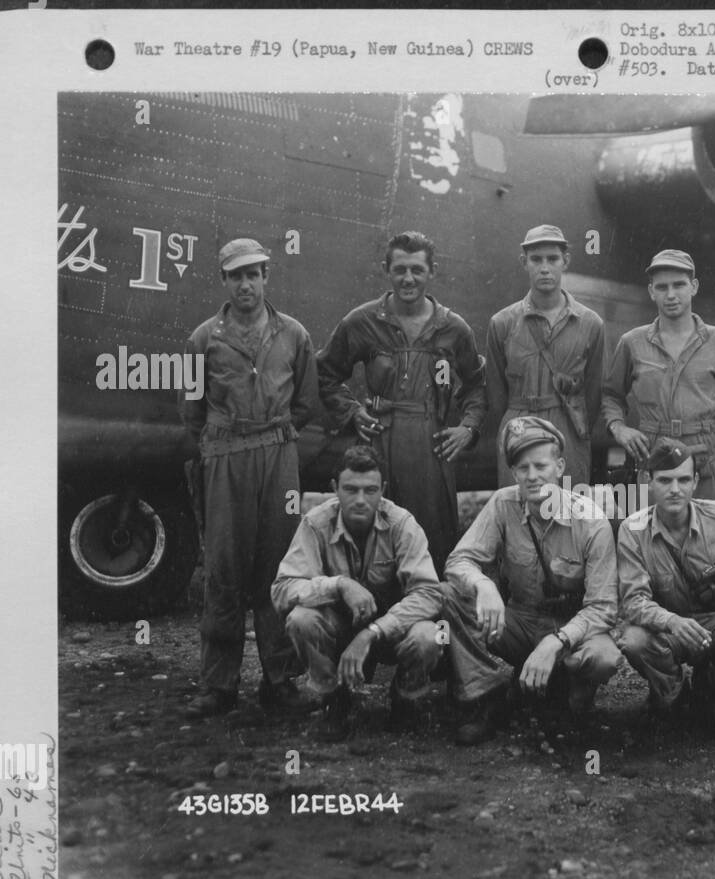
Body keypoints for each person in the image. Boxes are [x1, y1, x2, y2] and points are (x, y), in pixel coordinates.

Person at [180, 237, 318, 719]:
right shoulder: (202, 339)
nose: (245, 284)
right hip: (225, 458)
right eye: (236, 275)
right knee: (223, 570)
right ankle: (219, 685)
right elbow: (192, 411)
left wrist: (275, 437)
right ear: (224, 281)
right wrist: (224, 445)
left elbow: (305, 402)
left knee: (279, 567)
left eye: (253, 274)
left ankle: (279, 680)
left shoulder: (294, 334)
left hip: (278, 458)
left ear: (266, 277)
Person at [439, 416, 620, 745]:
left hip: (572, 629)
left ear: (560, 466)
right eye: (523, 468)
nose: (533, 476)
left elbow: (604, 607)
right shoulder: (503, 504)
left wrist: (557, 642)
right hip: (520, 622)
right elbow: (458, 561)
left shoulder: (591, 521)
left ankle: (564, 689)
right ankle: (487, 695)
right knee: (449, 596)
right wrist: (484, 586)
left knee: (604, 658)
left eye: (541, 465)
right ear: (514, 473)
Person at [315, 230, 486, 571]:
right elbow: (325, 374)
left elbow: (477, 384)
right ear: (386, 270)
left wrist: (467, 428)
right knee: (377, 533)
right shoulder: (362, 321)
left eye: (417, 270)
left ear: (431, 272)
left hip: (431, 448)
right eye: (400, 269)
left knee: (432, 539)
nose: (408, 278)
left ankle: (429, 612)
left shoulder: (453, 328)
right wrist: (352, 411)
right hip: (379, 442)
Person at [270, 445, 443, 742]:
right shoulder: (315, 523)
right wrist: (338, 584)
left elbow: (428, 593)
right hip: (339, 630)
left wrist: (373, 631)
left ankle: (406, 696)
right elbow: (283, 588)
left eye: (370, 490)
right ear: (334, 488)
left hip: (390, 631)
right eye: (351, 489)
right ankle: (333, 699)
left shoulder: (402, 524)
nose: (361, 500)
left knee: (433, 634)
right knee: (301, 620)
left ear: (383, 489)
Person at [615, 438, 715, 727]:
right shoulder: (632, 530)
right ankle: (671, 692)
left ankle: (714, 687)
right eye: (664, 480)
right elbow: (633, 601)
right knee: (634, 640)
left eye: (683, 480)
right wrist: (672, 622)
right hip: (666, 632)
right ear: (648, 482)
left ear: (695, 481)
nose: (675, 490)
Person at [602, 249, 715, 506]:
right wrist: (619, 428)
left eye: (679, 285)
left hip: (704, 462)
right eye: (662, 287)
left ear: (694, 287)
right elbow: (610, 395)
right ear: (651, 291)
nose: (670, 295)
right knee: (650, 539)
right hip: (652, 460)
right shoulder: (632, 343)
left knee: (706, 540)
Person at [486, 224, 606, 490]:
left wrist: (574, 424)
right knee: (518, 510)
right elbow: (496, 395)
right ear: (524, 262)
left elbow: (594, 392)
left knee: (568, 510)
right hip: (518, 424)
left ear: (565, 261)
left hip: (569, 425)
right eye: (535, 259)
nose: (544, 267)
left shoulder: (590, 323)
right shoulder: (503, 323)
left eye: (552, 259)